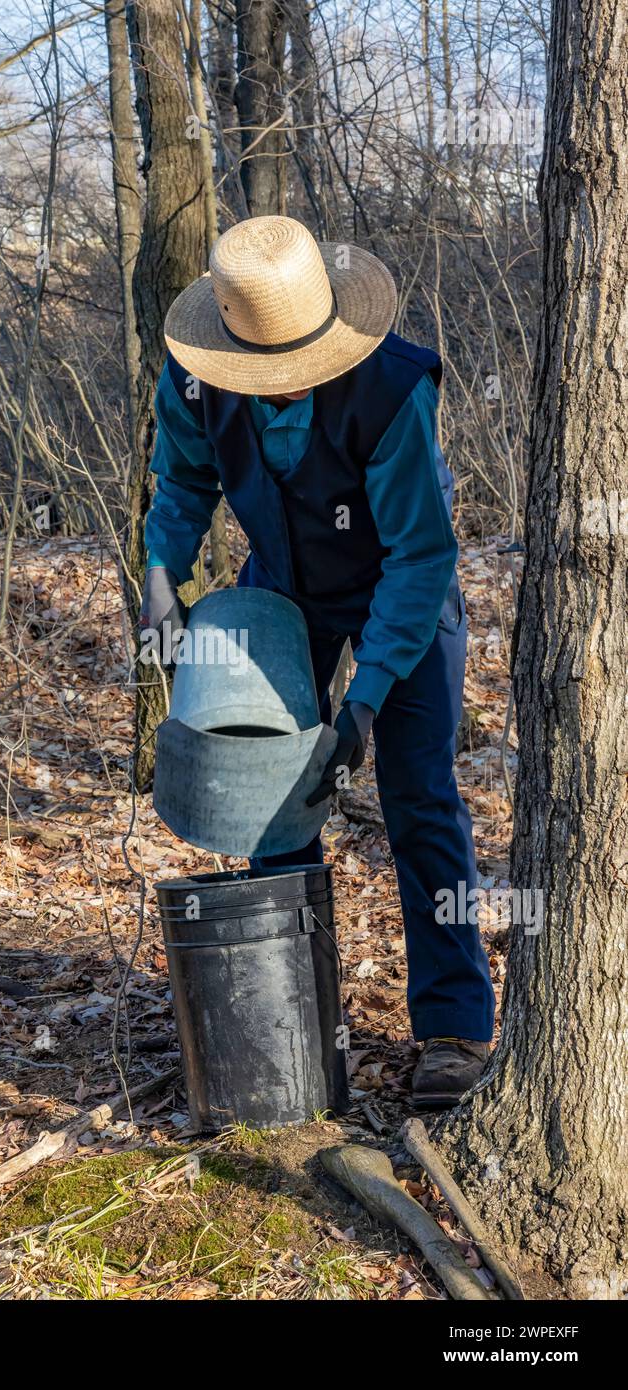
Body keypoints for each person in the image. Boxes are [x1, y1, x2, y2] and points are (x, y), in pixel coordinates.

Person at [139, 215, 495, 1109]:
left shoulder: (390, 389)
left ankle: (453, 1029)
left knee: (418, 798)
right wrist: (157, 575)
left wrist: (364, 704)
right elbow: (183, 485)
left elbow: (421, 554)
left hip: (399, 591)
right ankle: (286, 1027)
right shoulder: (192, 380)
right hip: (282, 594)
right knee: (269, 790)